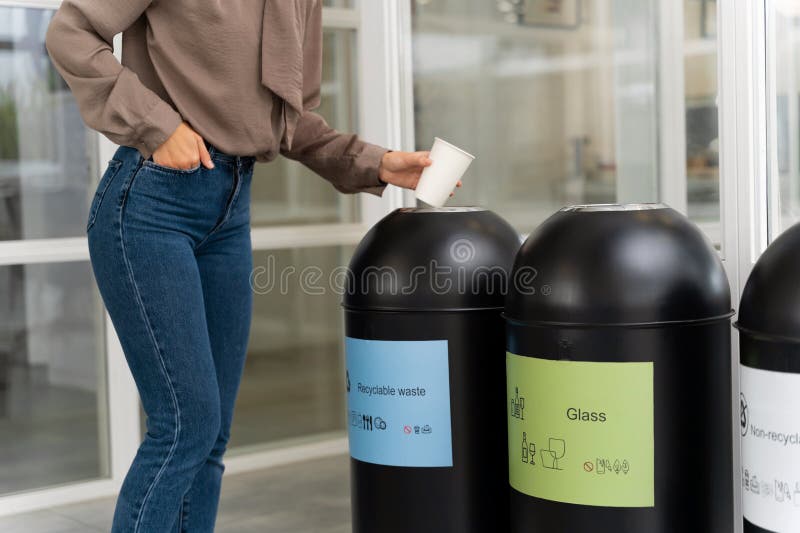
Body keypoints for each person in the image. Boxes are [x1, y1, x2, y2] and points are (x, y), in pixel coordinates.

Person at [44, 1, 455, 531]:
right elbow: (70, 33)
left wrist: (376, 162)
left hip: (230, 209)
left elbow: (294, 122)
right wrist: (157, 125)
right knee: (186, 425)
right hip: (150, 205)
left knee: (211, 436)